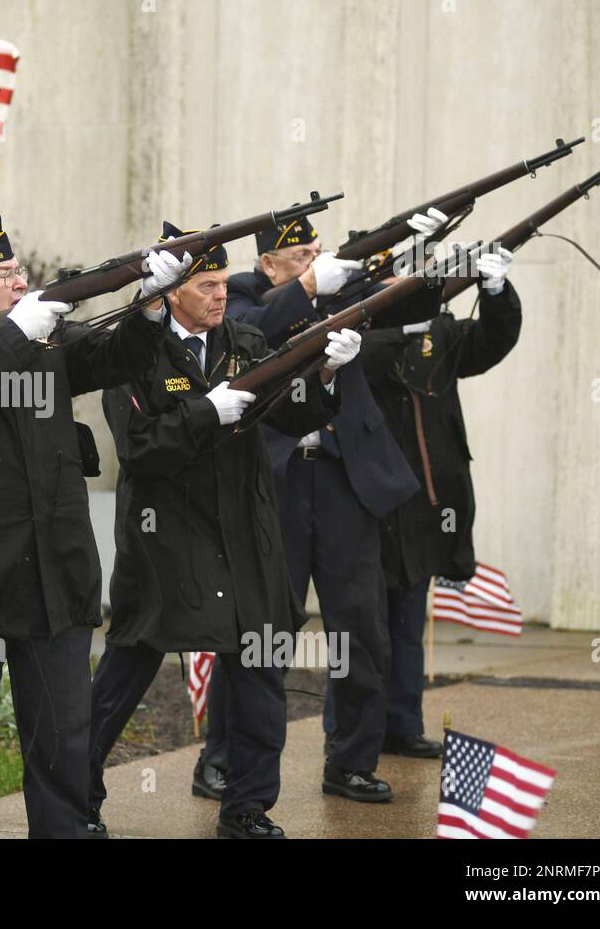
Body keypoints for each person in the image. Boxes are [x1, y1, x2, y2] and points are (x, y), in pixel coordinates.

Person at [0, 214, 176, 838]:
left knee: (62, 747)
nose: (21, 283)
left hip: (53, 570)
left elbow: (111, 356)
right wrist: (18, 334)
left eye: (19, 270)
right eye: (4, 275)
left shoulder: (45, 337)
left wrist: (151, 306)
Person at [89, 222, 361, 838]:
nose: (222, 293)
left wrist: (324, 375)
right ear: (173, 293)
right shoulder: (135, 352)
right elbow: (138, 449)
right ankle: (76, 797)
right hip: (168, 534)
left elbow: (288, 411)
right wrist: (204, 414)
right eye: (207, 284)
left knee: (261, 666)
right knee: (131, 664)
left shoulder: (241, 337)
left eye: (221, 281)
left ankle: (246, 807)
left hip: (244, 528)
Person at [226, 216, 418, 802]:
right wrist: (308, 290)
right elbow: (250, 332)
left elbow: (412, 296)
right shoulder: (239, 297)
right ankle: (225, 765)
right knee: (262, 633)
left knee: (362, 628)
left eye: (317, 252)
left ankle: (352, 761)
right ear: (268, 266)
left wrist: (419, 242)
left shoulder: (347, 291)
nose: (316, 261)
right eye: (301, 255)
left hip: (342, 479)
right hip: (275, 482)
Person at [360, 217, 521, 757]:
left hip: (427, 505)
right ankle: (356, 740)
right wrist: (400, 328)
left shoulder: (440, 332)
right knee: (365, 630)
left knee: (408, 624)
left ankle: (402, 726)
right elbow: (366, 356)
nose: (423, 284)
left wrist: (495, 291)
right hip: (372, 503)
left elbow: (490, 344)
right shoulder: (354, 332)